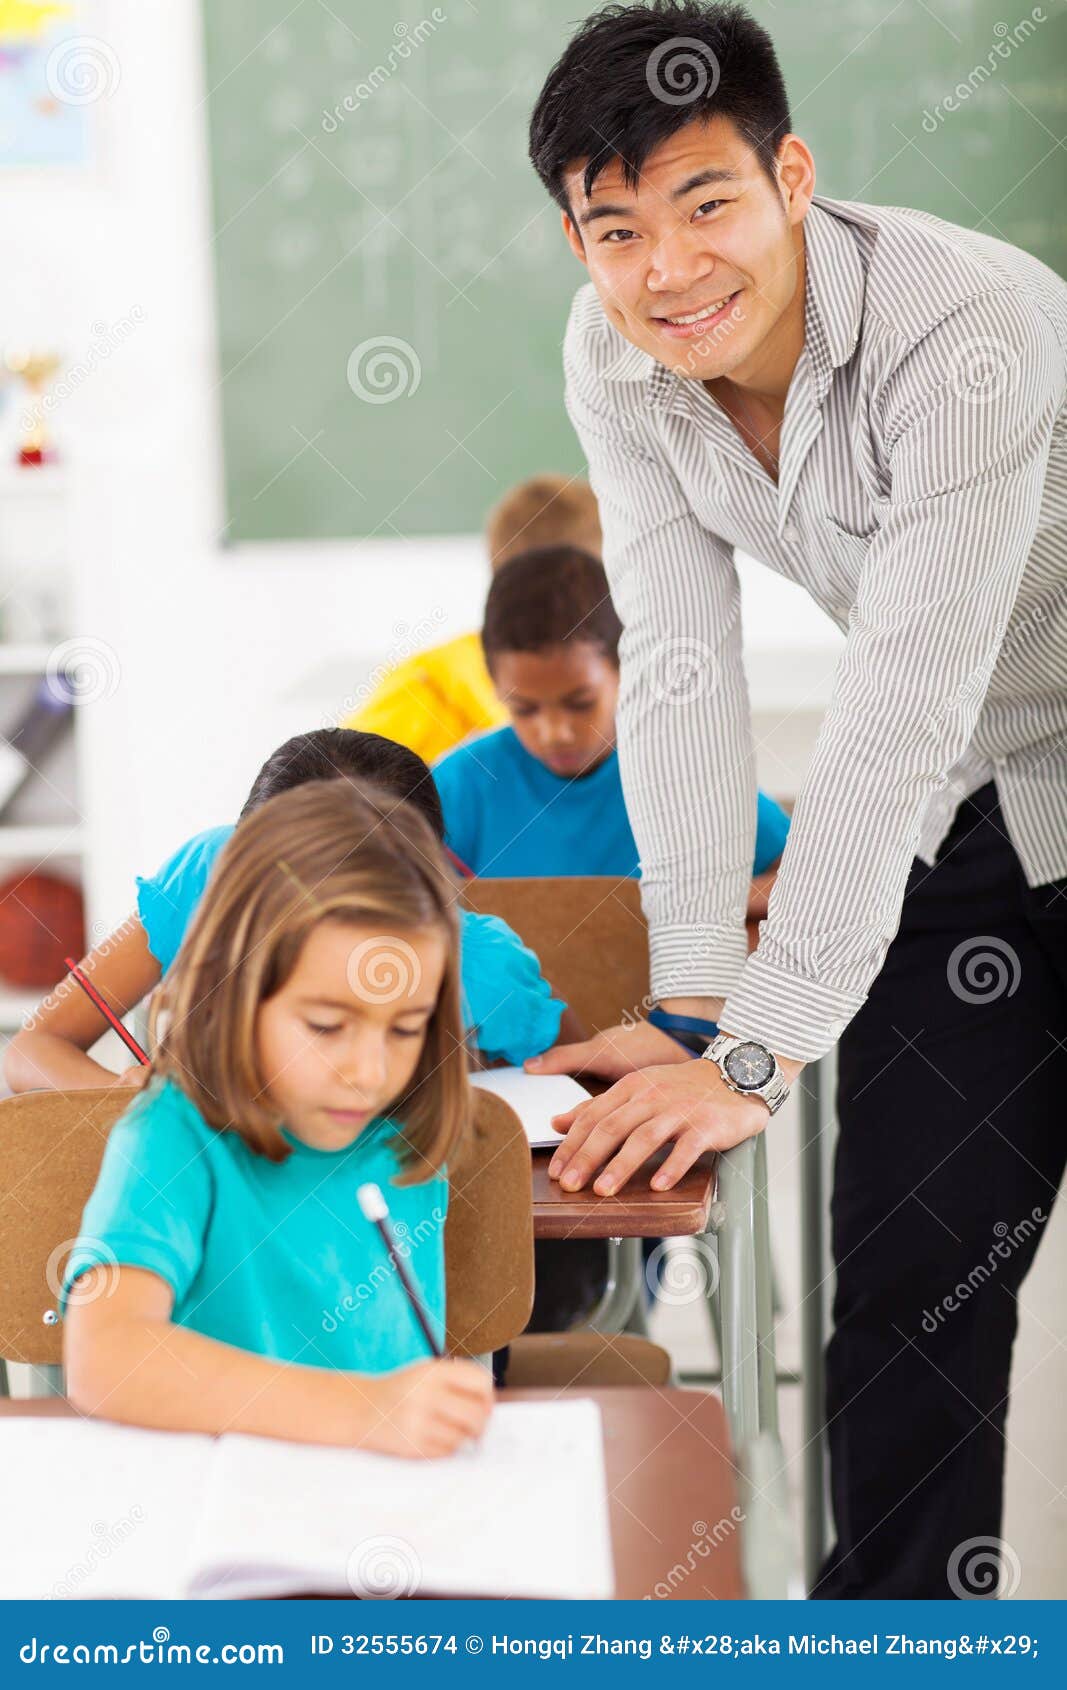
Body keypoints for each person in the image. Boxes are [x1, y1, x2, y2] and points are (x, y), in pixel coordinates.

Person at [527, 0, 1067, 1598]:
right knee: (907, 1267)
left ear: (791, 176)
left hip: (951, 738)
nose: (667, 269)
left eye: (704, 204)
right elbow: (678, 669)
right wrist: (698, 1011)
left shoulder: (961, 325)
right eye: (612, 229)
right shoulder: (616, 366)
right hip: (980, 795)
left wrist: (765, 1044)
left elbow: (896, 694)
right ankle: (895, 1648)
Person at [62, 780, 494, 1457]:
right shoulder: (172, 1137)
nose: (369, 1070)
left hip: (376, 1516)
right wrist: (365, 1413)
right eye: (326, 1025)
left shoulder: (405, 1125)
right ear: (234, 992)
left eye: (405, 1028)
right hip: (219, 1517)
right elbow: (105, 1359)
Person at [6, 729, 568, 1093]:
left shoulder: (480, 969)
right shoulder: (206, 873)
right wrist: (122, 1097)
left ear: (428, 888)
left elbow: (576, 1090)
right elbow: (33, 1048)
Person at [434, 543, 789, 897]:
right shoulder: (458, 785)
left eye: (580, 703)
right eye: (525, 709)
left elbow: (801, 880)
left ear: (626, 668)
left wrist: (707, 906)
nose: (556, 733)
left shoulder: (691, 773)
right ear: (494, 685)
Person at [343, 474, 603, 763]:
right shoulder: (430, 683)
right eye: (526, 708)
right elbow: (334, 787)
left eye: (579, 702)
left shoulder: (616, 673)